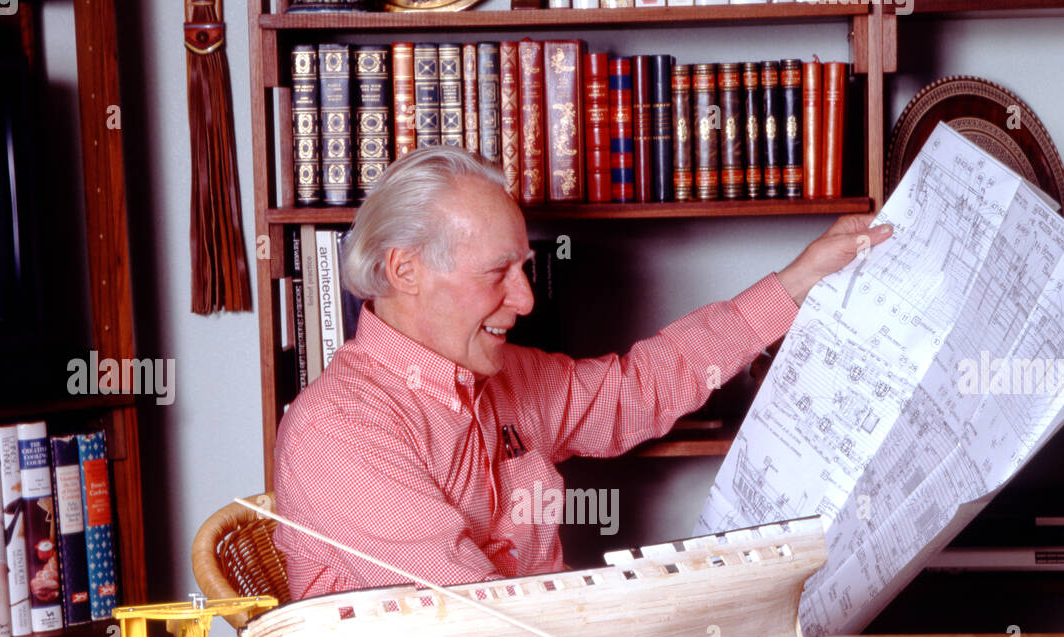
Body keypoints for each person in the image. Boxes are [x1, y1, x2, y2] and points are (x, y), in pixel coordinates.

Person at [274, 147, 891, 598]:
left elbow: (638, 390)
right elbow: (480, 620)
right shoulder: (338, 432)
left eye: (523, 268)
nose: (525, 300)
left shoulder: (508, 375)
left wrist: (798, 282)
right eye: (498, 274)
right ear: (405, 271)